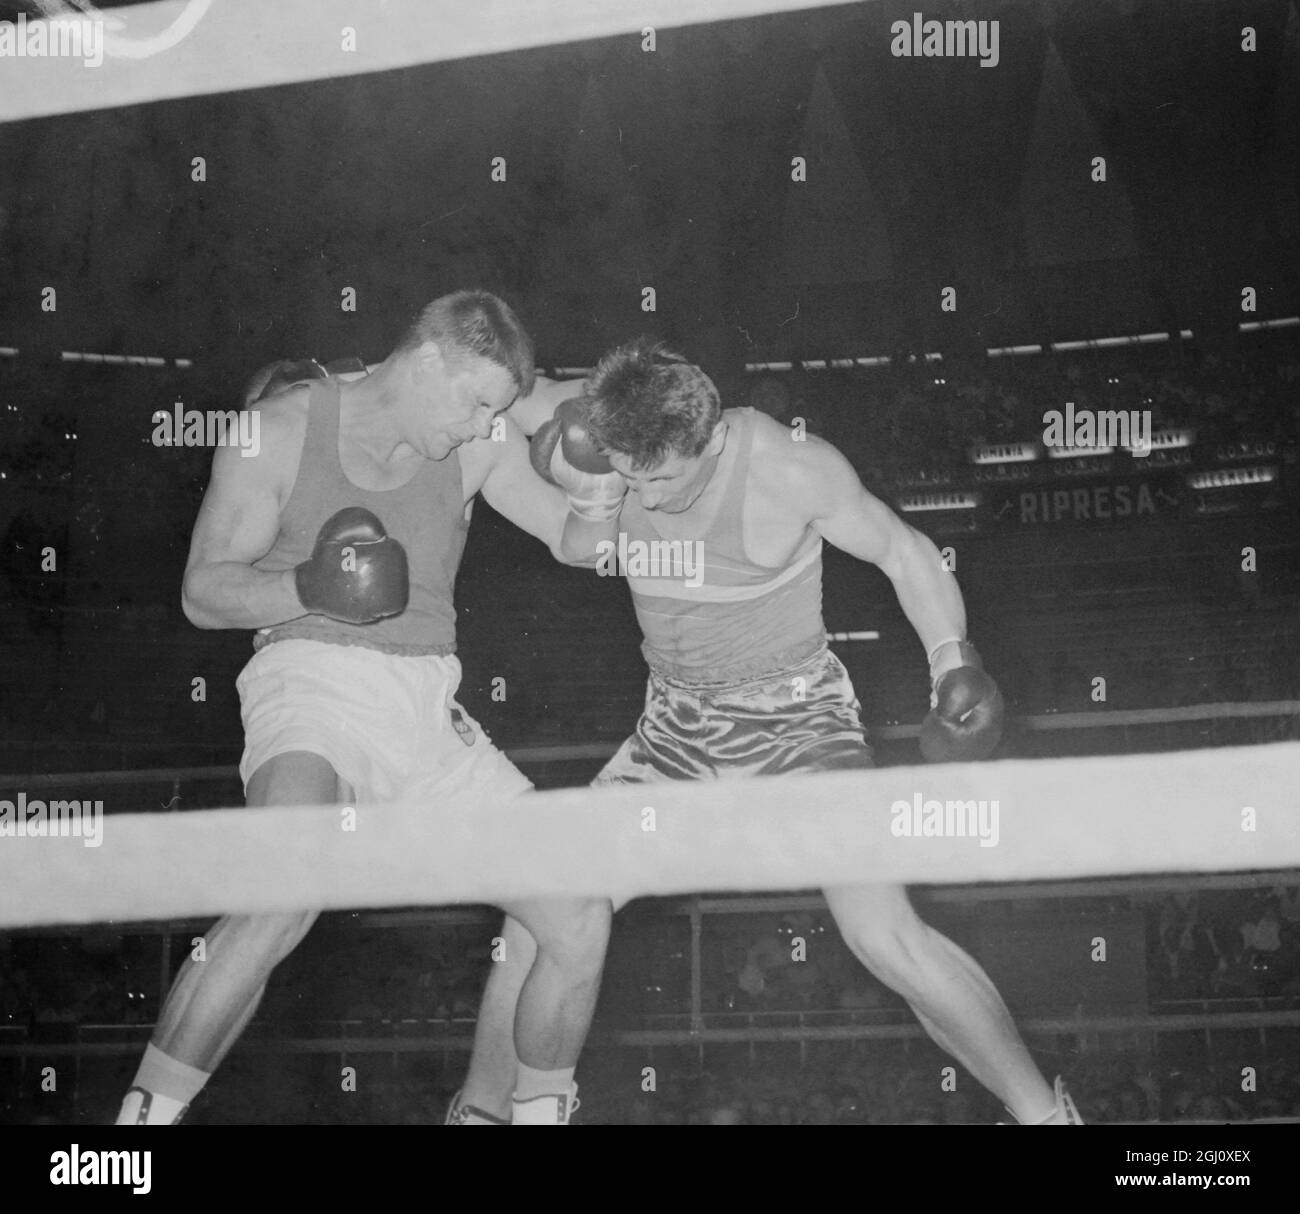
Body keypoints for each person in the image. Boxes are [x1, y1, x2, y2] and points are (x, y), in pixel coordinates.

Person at [454, 337, 1082, 1125]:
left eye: (665, 481)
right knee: (543, 908)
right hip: (674, 729)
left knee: (883, 934)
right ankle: (483, 1113)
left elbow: (903, 550)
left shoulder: (788, 467)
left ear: (711, 440)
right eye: (630, 476)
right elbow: (467, 379)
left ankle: (1047, 1118)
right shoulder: (586, 416)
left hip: (798, 723)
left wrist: (953, 661)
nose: (643, 498)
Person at [116, 290, 623, 1126]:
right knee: (285, 881)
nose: (479, 427)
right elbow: (203, 593)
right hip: (308, 681)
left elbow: (577, 545)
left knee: (576, 908)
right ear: (426, 362)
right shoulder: (276, 432)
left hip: (427, 708)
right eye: (474, 405)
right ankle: (138, 1131)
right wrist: (307, 586)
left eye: (495, 412)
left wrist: (598, 488)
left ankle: (516, 1117)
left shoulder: (479, 444)